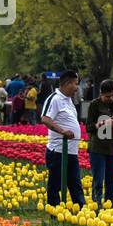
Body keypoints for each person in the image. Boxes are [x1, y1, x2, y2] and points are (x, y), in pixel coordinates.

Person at [42, 70, 85, 206]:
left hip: (71, 151)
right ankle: (55, 215)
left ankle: (82, 215)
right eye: (75, 84)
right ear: (67, 83)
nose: (77, 87)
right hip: (58, 151)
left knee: (75, 184)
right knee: (55, 186)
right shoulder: (54, 98)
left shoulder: (68, 100)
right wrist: (62, 131)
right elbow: (45, 119)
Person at [85, 79, 113, 205]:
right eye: (107, 96)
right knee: (98, 180)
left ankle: (110, 205)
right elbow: (89, 127)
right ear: (101, 94)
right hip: (98, 148)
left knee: (111, 181)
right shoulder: (94, 105)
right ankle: (96, 205)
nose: (111, 98)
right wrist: (104, 123)